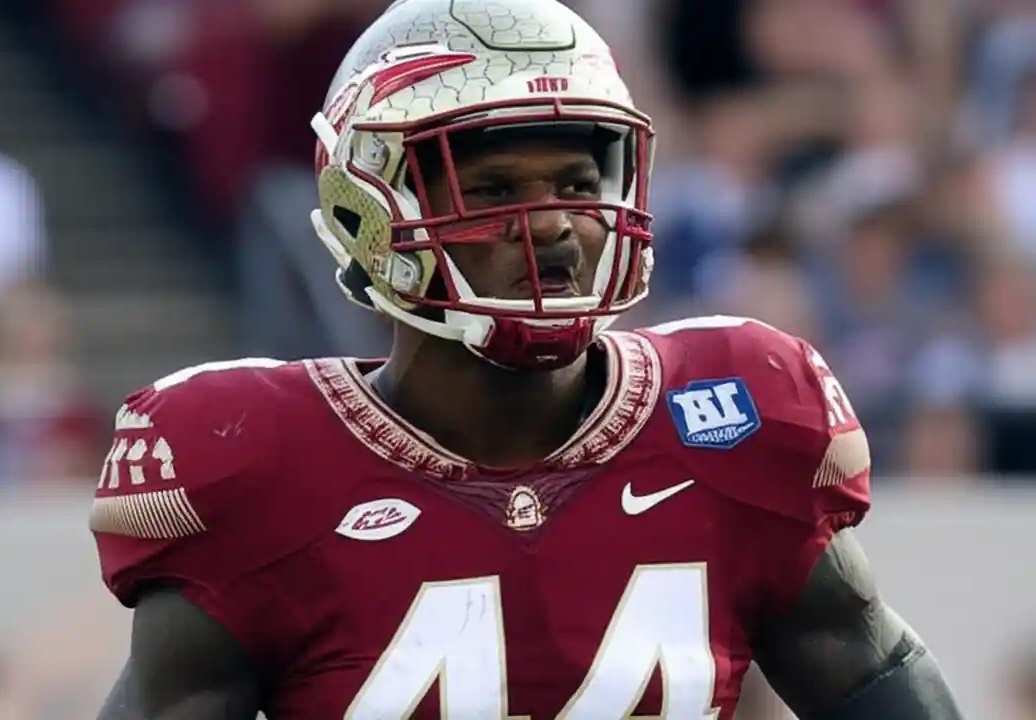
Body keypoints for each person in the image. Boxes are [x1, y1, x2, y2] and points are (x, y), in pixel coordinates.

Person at [90, 0, 962, 717]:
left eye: (577, 185)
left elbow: (874, 683)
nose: (550, 222)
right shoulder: (258, 464)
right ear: (371, 208)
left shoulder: (737, 412)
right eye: (495, 189)